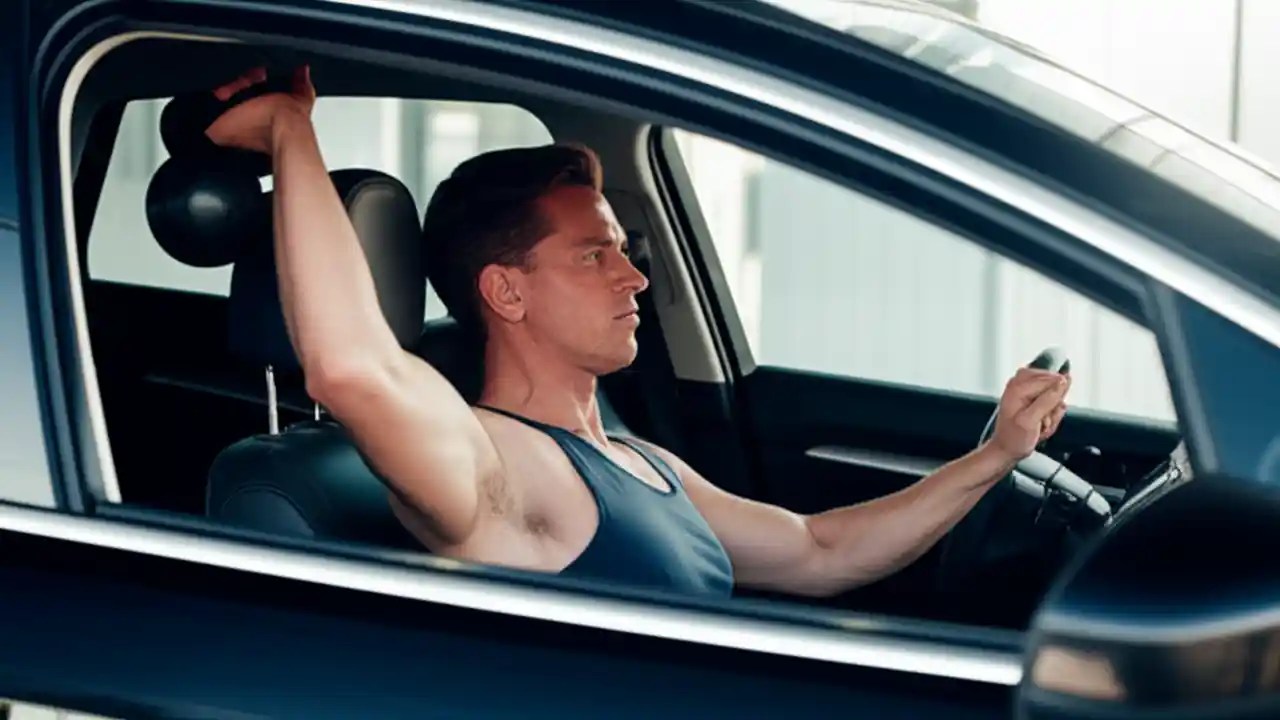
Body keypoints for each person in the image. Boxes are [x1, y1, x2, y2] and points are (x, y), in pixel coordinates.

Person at [206, 66, 1071, 598]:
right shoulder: (490, 464)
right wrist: (293, 136)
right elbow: (352, 368)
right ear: (505, 291)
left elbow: (820, 552)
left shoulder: (637, 459)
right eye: (594, 258)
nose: (635, 278)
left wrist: (995, 455)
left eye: (622, 251)